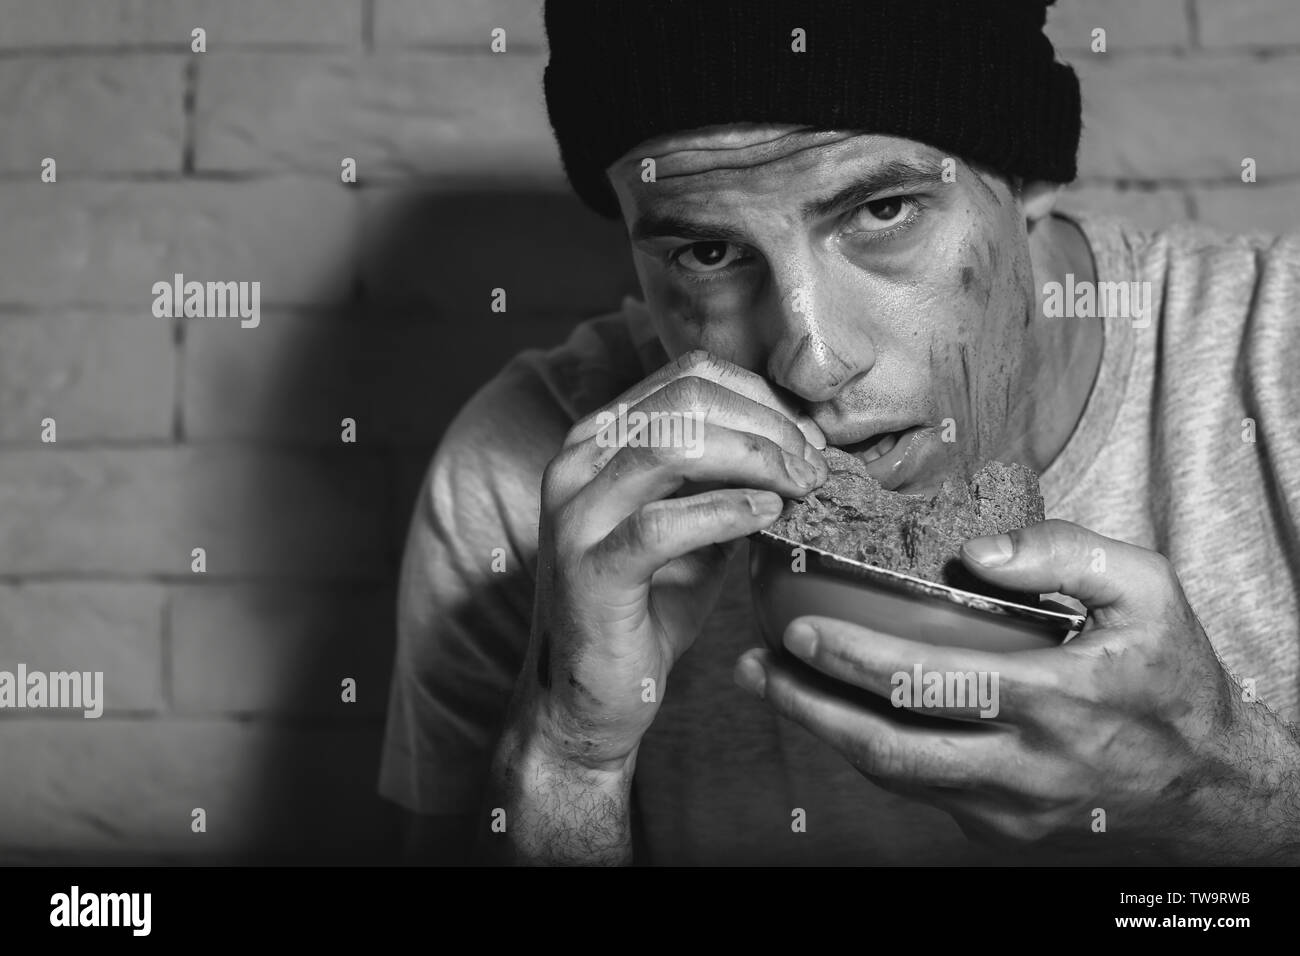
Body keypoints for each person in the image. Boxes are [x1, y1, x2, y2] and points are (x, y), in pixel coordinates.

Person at [379, 0, 1300, 865]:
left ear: (1031, 177)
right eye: (708, 253)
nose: (810, 363)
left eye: (882, 211)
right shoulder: (535, 473)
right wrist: (568, 756)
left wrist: (1216, 790)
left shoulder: (1277, 366)